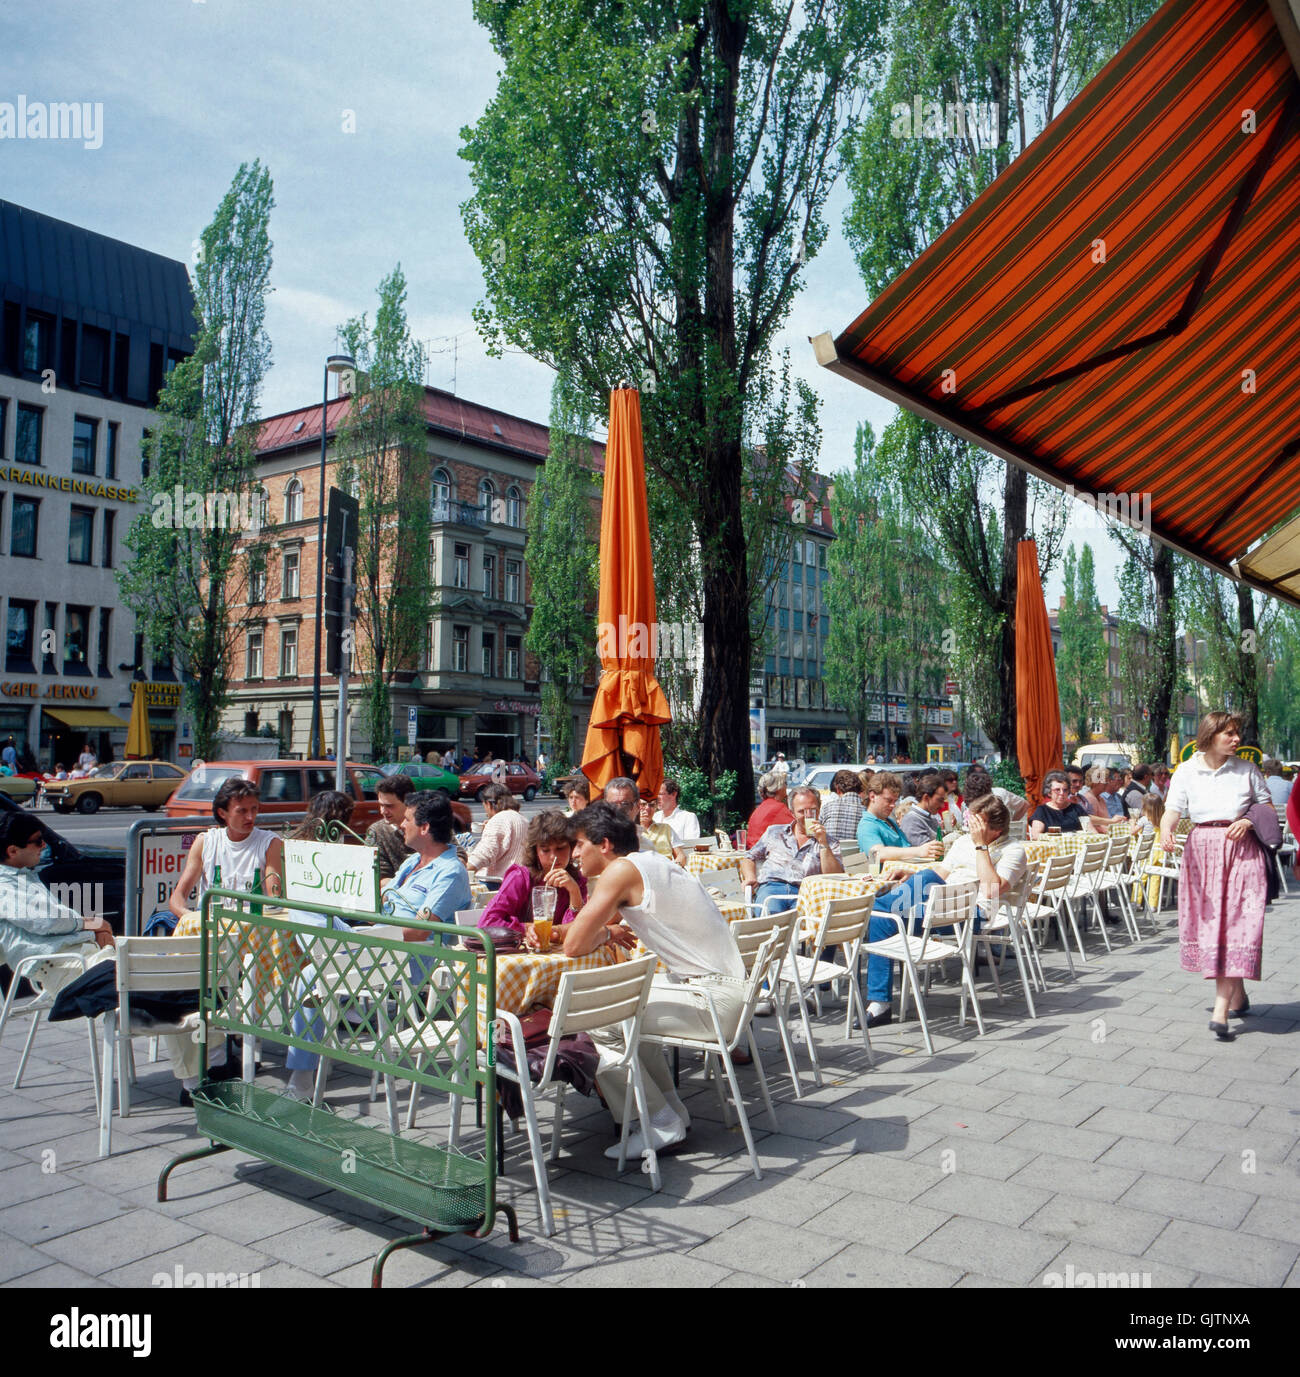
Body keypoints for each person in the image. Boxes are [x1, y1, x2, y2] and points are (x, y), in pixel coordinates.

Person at [0, 813, 233, 1101]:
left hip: (86, 958)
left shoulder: (24, 876)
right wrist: (92, 924)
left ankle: (209, 1063)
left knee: (171, 982)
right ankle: (200, 1072)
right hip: (64, 967)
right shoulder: (4, 886)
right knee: (166, 987)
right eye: (37, 842)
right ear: (12, 851)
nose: (44, 846)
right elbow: (44, 920)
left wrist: (91, 929)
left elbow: (54, 920)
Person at [562, 802, 744, 1156]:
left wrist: (604, 934)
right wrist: (601, 931)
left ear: (604, 845)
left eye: (579, 844)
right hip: (726, 992)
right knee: (624, 1007)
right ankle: (671, 1111)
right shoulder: (652, 861)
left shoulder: (621, 872)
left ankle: (659, 1121)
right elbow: (584, 929)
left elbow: (574, 944)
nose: (574, 854)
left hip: (712, 1001)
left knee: (595, 1019)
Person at [860, 794, 1025, 1027]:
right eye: (971, 821)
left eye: (977, 824)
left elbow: (990, 891)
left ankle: (880, 1003)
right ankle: (875, 913)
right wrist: (910, 876)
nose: (971, 828)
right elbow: (939, 875)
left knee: (881, 918)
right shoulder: (962, 842)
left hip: (972, 913)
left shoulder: (1013, 850)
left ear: (996, 829)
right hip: (941, 901)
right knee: (908, 892)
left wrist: (981, 846)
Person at [1160, 711, 1271, 1040]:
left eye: (1238, 733)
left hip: (1242, 851)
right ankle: (1236, 995)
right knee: (1214, 926)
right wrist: (1165, 831)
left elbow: (1264, 808)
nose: (1237, 739)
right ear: (1210, 735)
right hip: (1202, 851)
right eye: (1230, 733)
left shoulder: (1247, 770)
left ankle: (1220, 1012)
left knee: (1238, 924)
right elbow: (1172, 809)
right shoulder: (1186, 771)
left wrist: (1248, 821)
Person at [168, 778, 284, 922]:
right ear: (223, 813)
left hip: (250, 924)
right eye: (242, 811)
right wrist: (190, 917)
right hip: (210, 924)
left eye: (254, 809)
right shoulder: (205, 842)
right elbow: (177, 897)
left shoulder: (270, 842)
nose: (250, 817)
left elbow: (275, 898)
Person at [478, 809, 587, 935]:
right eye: (545, 850)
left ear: (571, 847)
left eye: (560, 848)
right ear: (535, 851)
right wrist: (527, 929)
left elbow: (578, 930)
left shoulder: (576, 881)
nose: (553, 856)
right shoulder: (520, 877)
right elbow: (487, 923)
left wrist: (574, 892)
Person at [382, 792, 473, 940]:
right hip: (379, 942)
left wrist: (373, 938)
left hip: (402, 953)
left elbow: (419, 931)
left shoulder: (451, 873)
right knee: (330, 920)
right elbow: (381, 901)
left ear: (424, 828)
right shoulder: (413, 861)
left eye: (407, 820)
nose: (402, 825)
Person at [740, 784, 843, 915]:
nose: (808, 816)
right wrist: (750, 877)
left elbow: (835, 876)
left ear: (819, 809)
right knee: (769, 916)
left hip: (805, 892)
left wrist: (823, 842)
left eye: (813, 810)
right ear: (791, 812)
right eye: (802, 811)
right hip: (772, 887)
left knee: (806, 922)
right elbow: (749, 857)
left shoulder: (829, 841)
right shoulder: (775, 832)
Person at [857, 772, 945, 868]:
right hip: (889, 880)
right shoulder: (867, 825)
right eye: (888, 800)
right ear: (872, 796)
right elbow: (877, 854)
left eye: (895, 801)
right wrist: (919, 851)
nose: (893, 805)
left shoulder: (889, 822)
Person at [467, 783, 527, 880]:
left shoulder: (498, 820)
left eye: (484, 806)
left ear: (488, 804)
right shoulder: (523, 819)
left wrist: (465, 869)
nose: (486, 813)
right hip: (520, 880)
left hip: (499, 882)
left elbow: (485, 853)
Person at [1028, 772, 1109, 838]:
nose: (1061, 793)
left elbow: (1092, 831)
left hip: (1077, 850)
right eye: (1057, 790)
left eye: (1065, 790)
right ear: (1049, 792)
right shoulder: (1042, 811)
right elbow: (1036, 835)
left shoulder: (1077, 809)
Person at [367, 774, 415, 881]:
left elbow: (458, 856)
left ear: (407, 802)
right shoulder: (376, 832)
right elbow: (377, 878)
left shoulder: (429, 823)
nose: (383, 811)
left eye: (389, 806)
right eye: (381, 805)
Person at [900, 771, 948, 848]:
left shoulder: (931, 817)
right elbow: (926, 850)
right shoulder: (912, 820)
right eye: (940, 800)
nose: (942, 806)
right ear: (926, 797)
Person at [745, 771, 793, 848]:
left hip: (753, 850)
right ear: (779, 788)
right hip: (765, 854)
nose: (786, 786)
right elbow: (797, 829)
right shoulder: (779, 808)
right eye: (785, 783)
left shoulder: (763, 806)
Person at [819, 769, 865, 843]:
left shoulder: (827, 808)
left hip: (830, 852)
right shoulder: (867, 811)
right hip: (857, 854)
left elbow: (817, 833)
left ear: (838, 789)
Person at [653, 778, 700, 844]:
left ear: (673, 794)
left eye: (660, 794)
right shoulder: (654, 817)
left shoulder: (688, 817)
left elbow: (691, 847)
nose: (656, 798)